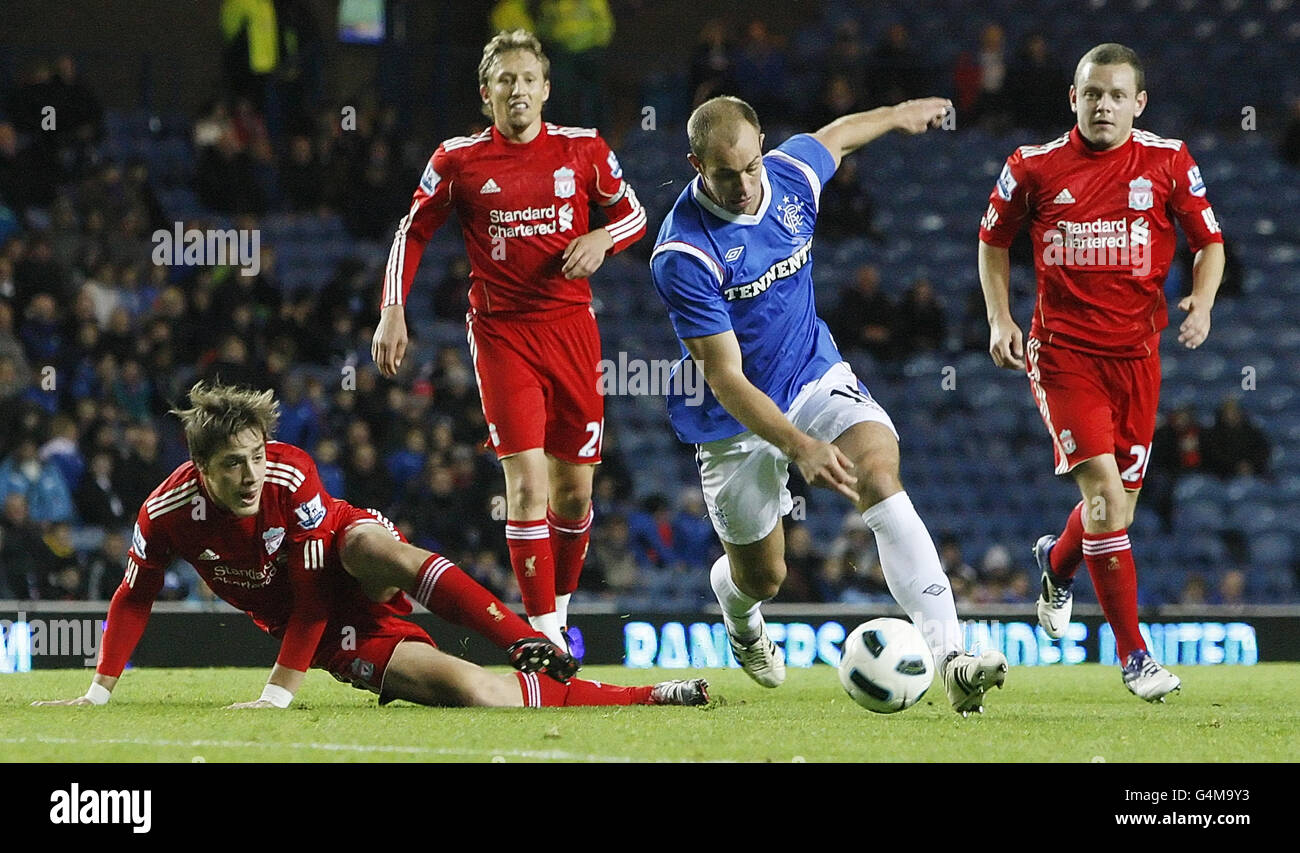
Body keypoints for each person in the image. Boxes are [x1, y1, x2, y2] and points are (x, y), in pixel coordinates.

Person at [648, 94, 1008, 716]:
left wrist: (897, 114)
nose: (742, 186)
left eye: (750, 167)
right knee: (764, 578)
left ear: (764, 146)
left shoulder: (788, 178)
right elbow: (727, 378)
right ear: (695, 164)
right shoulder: (683, 254)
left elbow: (836, 135)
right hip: (733, 422)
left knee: (878, 472)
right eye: (724, 175)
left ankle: (951, 657)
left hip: (814, 377)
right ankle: (738, 614)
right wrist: (799, 445)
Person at [34, 383, 706, 710]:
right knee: (475, 695)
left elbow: (319, 584)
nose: (249, 474)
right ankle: (646, 696)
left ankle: (520, 633)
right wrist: (97, 692)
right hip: (328, 632)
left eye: (255, 456)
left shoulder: (291, 474)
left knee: (371, 545)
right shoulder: (165, 512)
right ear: (199, 468)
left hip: (345, 567)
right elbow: (132, 596)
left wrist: (276, 695)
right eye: (231, 464)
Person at [372, 30, 645, 653]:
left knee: (575, 494)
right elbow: (411, 233)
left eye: (527, 79)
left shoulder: (584, 151)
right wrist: (393, 309)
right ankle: (545, 635)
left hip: (573, 332)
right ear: (486, 93)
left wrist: (604, 239)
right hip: (501, 335)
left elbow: (631, 212)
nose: (516, 90)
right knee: (526, 483)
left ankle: (562, 609)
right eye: (505, 81)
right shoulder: (458, 160)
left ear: (546, 89)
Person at [977, 43, 1225, 702]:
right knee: (1104, 501)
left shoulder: (1168, 161)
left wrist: (1202, 297)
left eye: (1117, 94)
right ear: (1074, 98)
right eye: (1092, 93)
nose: (1103, 105)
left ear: (1138, 102)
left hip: (1138, 358)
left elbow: (1210, 242)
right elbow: (993, 239)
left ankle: (1056, 564)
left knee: (1118, 512)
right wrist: (1000, 319)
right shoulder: (1032, 167)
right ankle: (1135, 655)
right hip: (1063, 355)